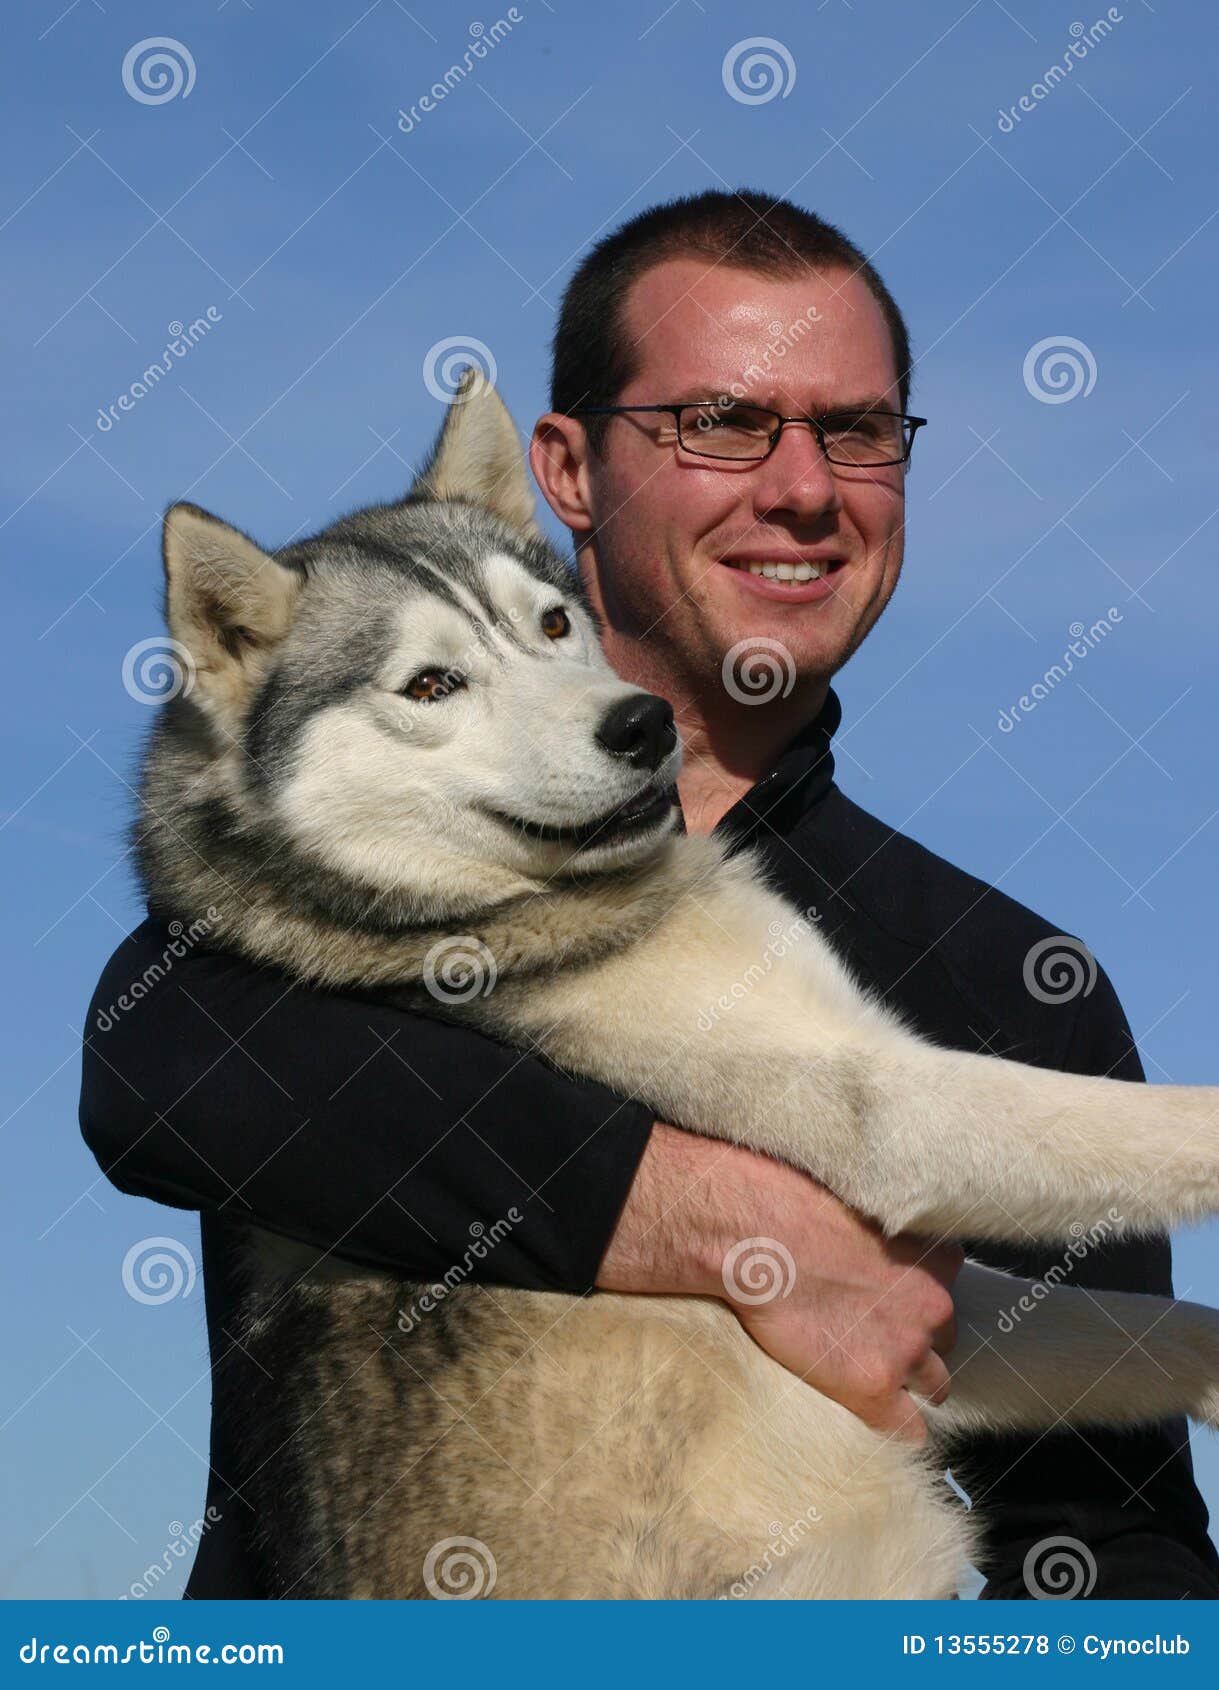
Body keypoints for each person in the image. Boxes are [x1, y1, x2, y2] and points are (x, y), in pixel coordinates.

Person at [80, 188, 1219, 1599]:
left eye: (856, 430)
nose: (803, 485)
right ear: (562, 470)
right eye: (723, 422)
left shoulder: (1014, 977)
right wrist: (733, 1233)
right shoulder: (347, 911)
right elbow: (152, 1068)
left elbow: (1121, 1539)